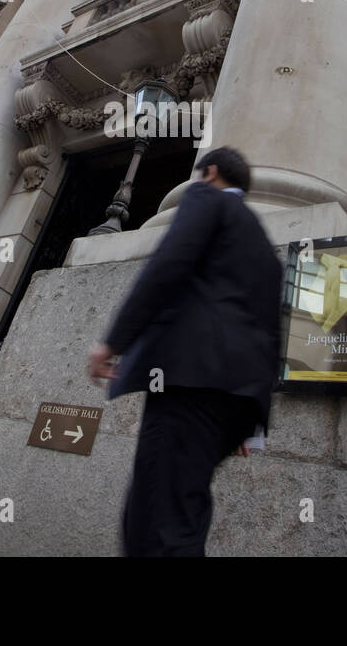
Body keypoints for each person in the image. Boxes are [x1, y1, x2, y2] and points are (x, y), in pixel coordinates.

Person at [87, 146, 283, 556]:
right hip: (233, 402)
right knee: (183, 515)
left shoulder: (205, 198)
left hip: (188, 383)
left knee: (154, 523)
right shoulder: (264, 246)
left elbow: (168, 265)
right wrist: (248, 423)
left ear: (210, 173)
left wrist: (113, 342)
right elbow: (268, 330)